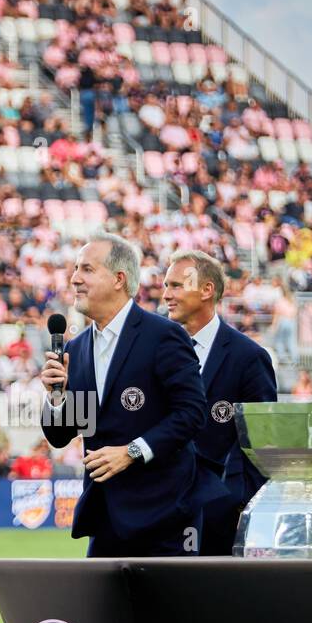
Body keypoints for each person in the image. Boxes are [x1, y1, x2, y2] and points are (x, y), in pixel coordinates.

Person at [39, 232, 225, 557]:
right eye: (75, 269)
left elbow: (192, 412)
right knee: (102, 610)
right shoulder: (77, 348)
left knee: (166, 610)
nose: (75, 278)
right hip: (105, 516)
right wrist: (57, 399)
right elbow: (62, 434)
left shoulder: (163, 335)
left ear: (118, 279)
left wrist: (132, 451)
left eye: (86, 269)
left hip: (165, 515)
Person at [162, 250, 276, 556]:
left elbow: (263, 445)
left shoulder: (249, 358)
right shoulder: (152, 347)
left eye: (175, 286)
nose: (166, 295)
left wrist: (240, 505)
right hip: (158, 513)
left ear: (206, 290)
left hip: (220, 516)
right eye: (166, 285)